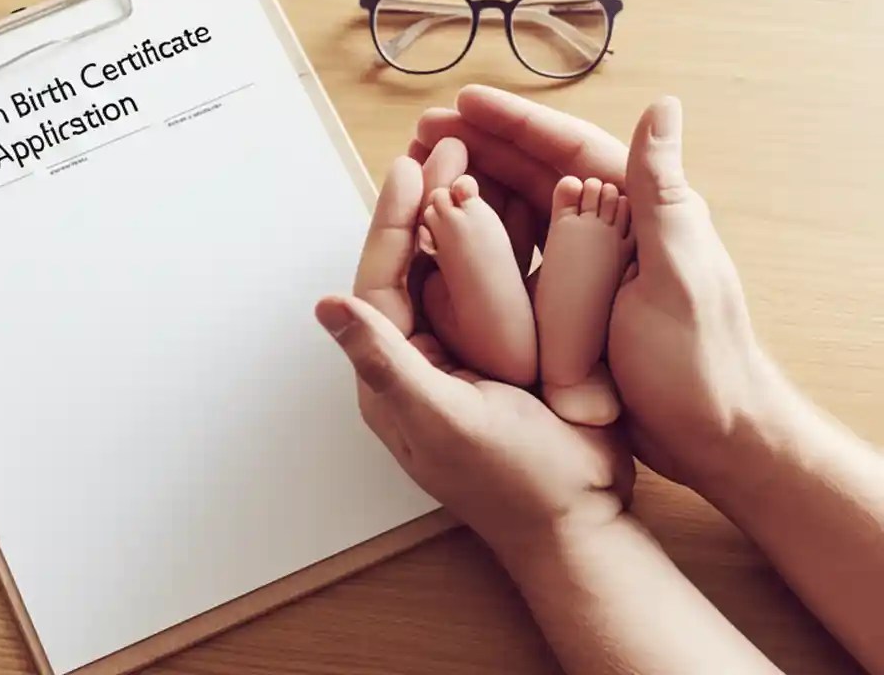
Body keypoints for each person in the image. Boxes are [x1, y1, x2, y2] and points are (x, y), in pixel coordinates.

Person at [314, 85, 884, 675]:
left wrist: (562, 526)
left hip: (542, 364)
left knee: (510, 334)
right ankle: (565, 360)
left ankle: (565, 361)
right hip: (547, 352)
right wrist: (732, 417)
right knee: (507, 333)